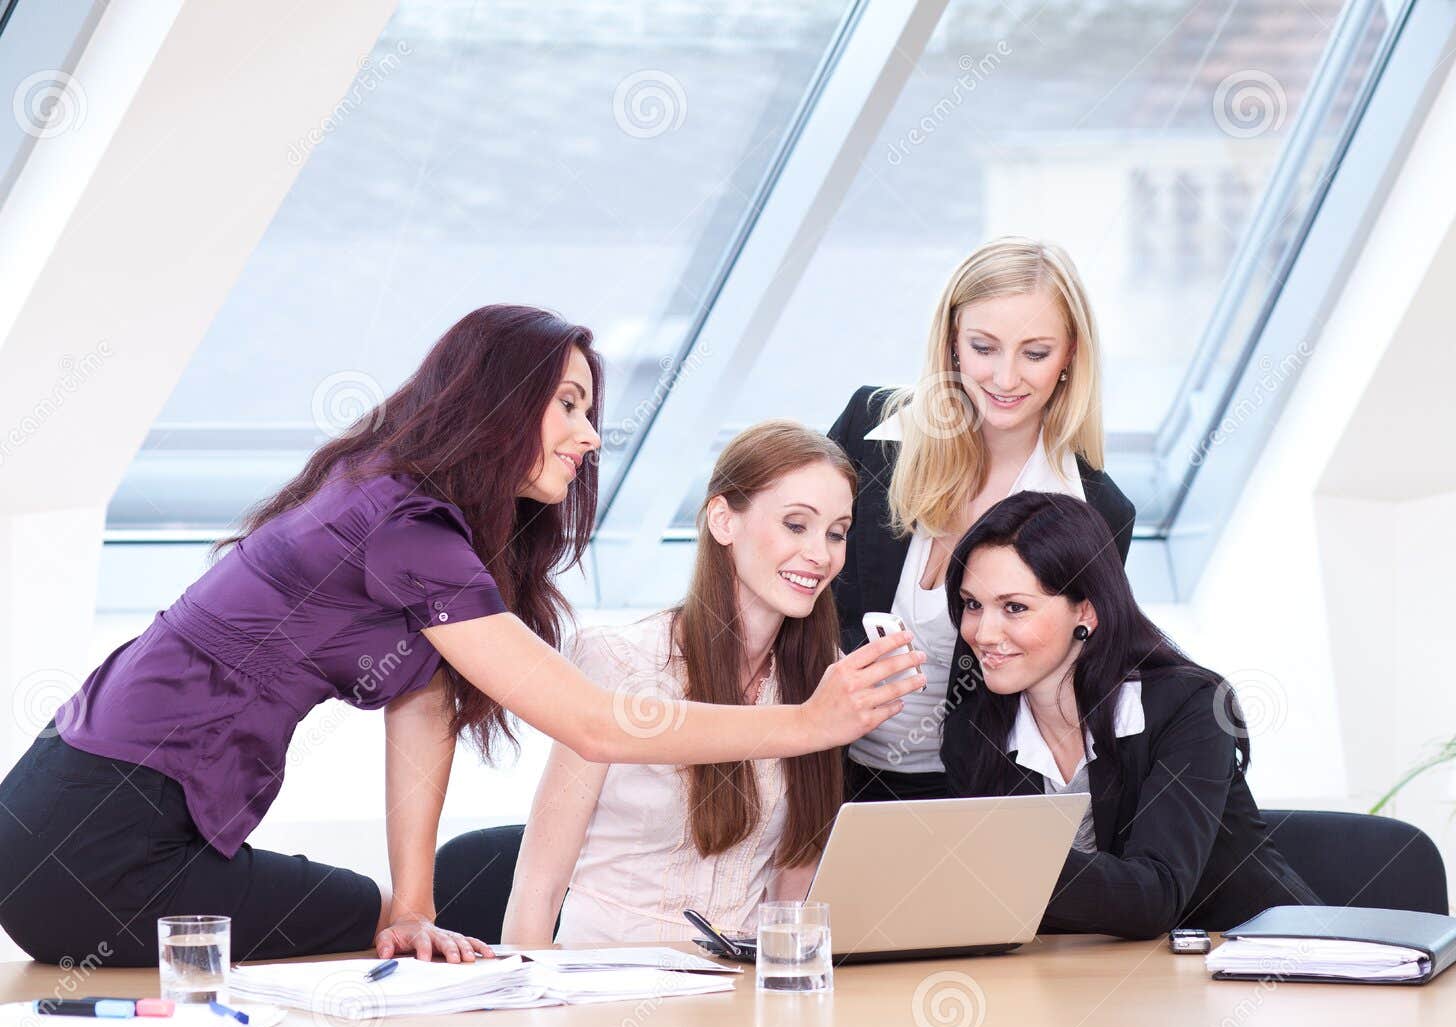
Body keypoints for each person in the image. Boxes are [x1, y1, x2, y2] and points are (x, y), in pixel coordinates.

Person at [0, 306, 925, 967]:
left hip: (79, 816)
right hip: (93, 834)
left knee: (370, 920)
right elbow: (597, 724)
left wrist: (414, 901)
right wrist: (809, 723)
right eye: (567, 405)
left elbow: (424, 702)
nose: (588, 435)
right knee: (345, 925)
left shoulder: (410, 513)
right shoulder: (403, 520)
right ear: (497, 402)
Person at [501, 421, 860, 944]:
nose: (821, 555)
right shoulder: (621, 663)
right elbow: (539, 882)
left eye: (836, 533)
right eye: (796, 525)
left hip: (739, 998)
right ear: (723, 520)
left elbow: (793, 886)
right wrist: (527, 1002)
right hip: (607, 992)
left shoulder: (821, 674)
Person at [829, 236, 1135, 804]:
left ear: (1071, 355)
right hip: (819, 765)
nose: (1005, 377)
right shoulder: (868, 431)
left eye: (1035, 353)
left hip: (969, 792)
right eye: (984, 347)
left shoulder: (1096, 511)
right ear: (952, 343)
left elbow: (1075, 682)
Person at [940, 491, 1320, 938]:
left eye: (1015, 607)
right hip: (1105, 983)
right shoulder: (974, 730)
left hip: (1268, 969)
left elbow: (1153, 897)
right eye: (972, 604)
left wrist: (993, 861)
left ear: (1086, 611)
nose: (982, 633)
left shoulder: (1191, 708)